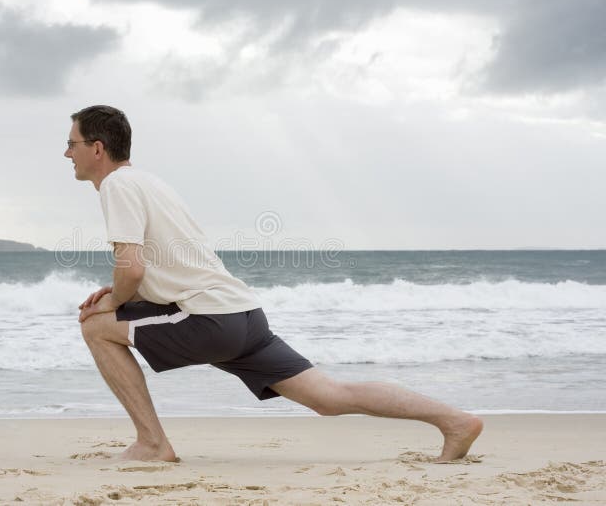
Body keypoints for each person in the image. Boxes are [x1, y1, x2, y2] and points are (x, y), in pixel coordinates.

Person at [64, 105, 483, 462]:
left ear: (97, 148)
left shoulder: (117, 185)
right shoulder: (149, 181)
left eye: (73, 144)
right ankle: (455, 421)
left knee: (95, 327)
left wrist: (111, 303)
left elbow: (133, 269)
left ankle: (153, 444)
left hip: (209, 319)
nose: (67, 153)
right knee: (329, 397)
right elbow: (163, 266)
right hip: (243, 315)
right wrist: (120, 295)